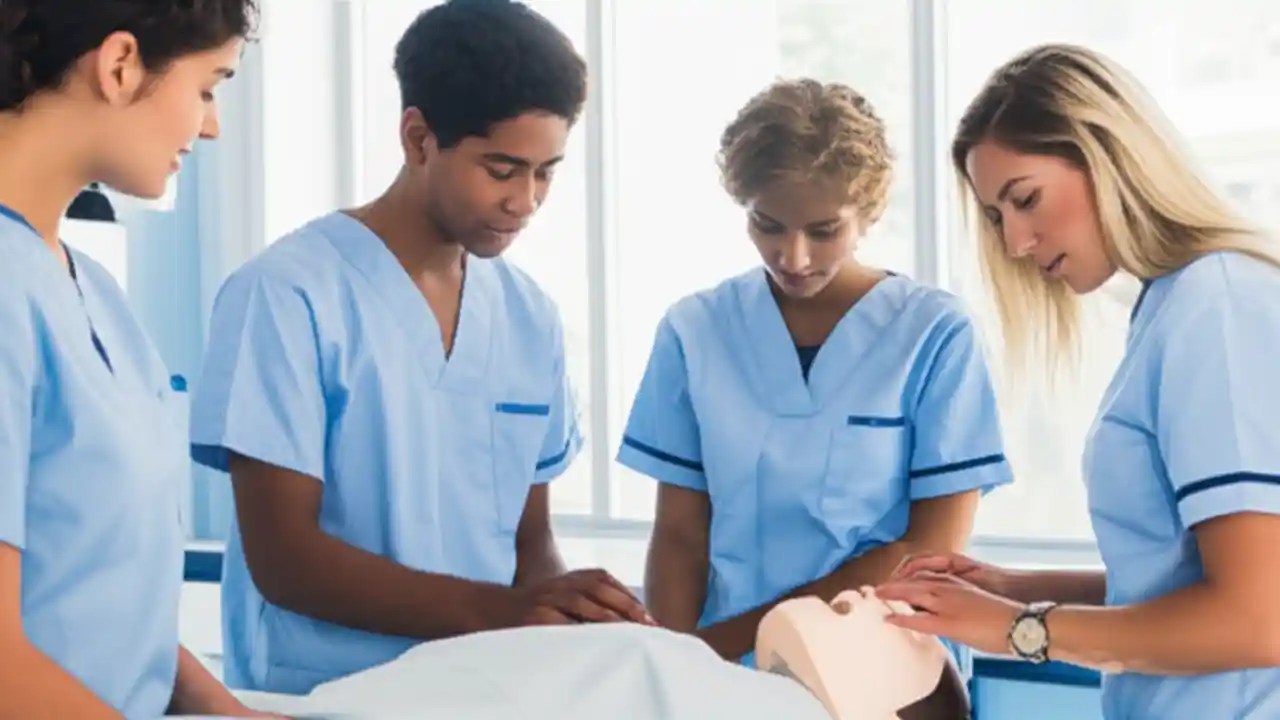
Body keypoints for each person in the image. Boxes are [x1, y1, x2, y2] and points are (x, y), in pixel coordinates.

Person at [190, 0, 648, 696]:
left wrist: (582, 615)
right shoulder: (287, 296)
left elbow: (530, 551)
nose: (526, 200)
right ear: (418, 137)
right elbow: (285, 559)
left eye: (546, 171)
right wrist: (504, 613)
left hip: (485, 695)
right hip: (320, 695)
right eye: (501, 169)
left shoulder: (529, 319)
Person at [878, 43, 1280, 720]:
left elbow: (1256, 616)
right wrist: (1009, 589)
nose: (1015, 243)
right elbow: (1176, 580)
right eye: (997, 217)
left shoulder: (1216, 303)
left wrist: (1020, 629)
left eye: (1025, 199)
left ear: (1106, 153)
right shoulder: (1178, 306)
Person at [617, 79, 1012, 710]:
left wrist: (723, 645)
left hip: (887, 676)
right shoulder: (695, 329)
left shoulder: (933, 333)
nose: (792, 256)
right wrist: (672, 659)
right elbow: (681, 535)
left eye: (824, 230)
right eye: (766, 225)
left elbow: (927, 549)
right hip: (725, 675)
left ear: (870, 212)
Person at [0, 2, 269, 718]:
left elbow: (99, 595)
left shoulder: (93, 291)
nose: (211, 125)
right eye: (209, 87)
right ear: (120, 65)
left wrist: (228, 713)